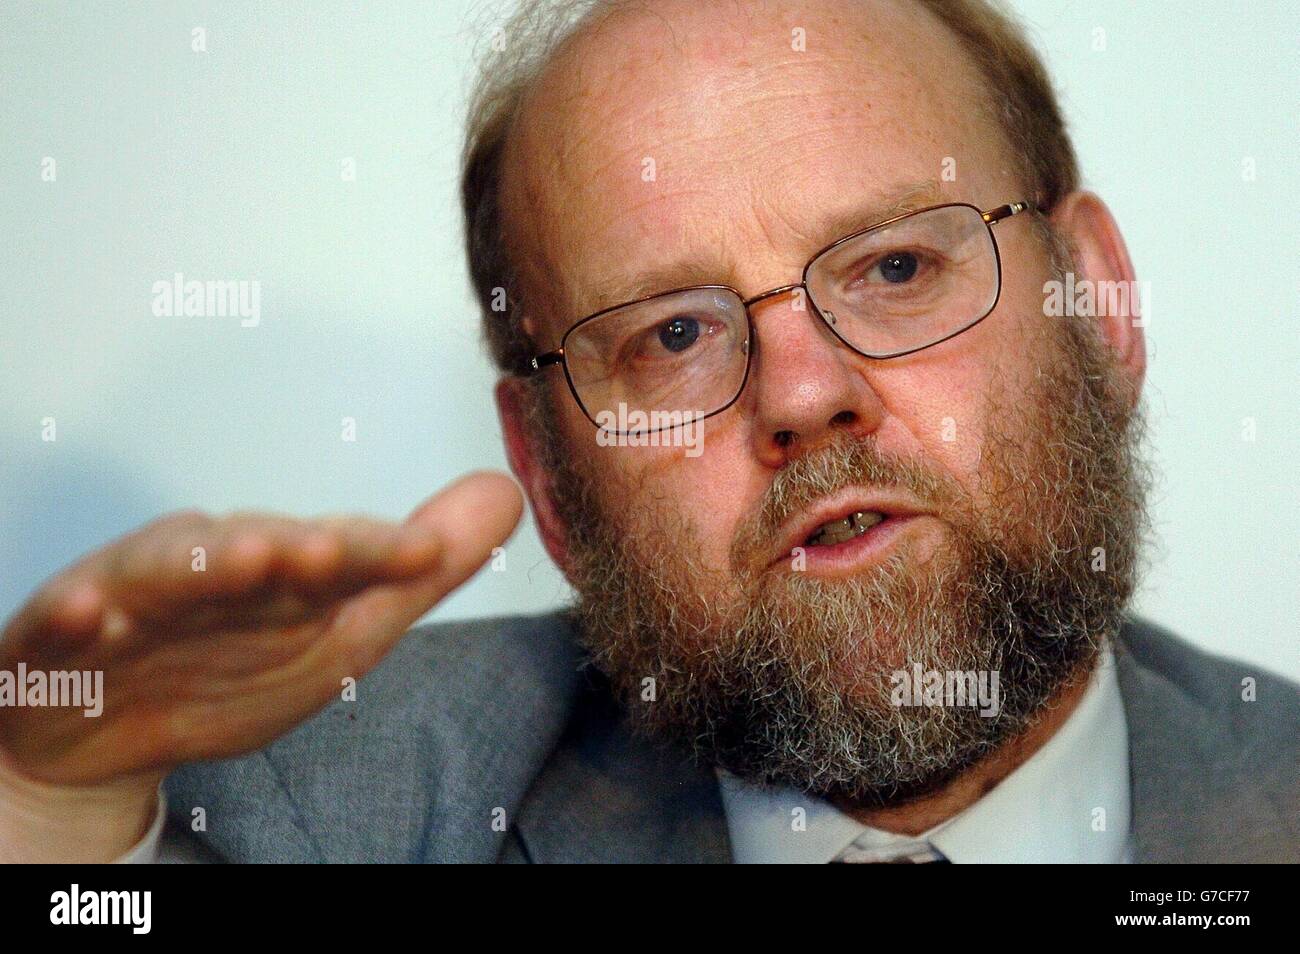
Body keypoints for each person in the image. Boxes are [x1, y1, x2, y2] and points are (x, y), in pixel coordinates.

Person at [2, 0, 1296, 863]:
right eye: (672, 336)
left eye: (898, 267)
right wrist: (46, 804)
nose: (800, 393)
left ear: (1099, 302)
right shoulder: (339, 797)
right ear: (552, 483)